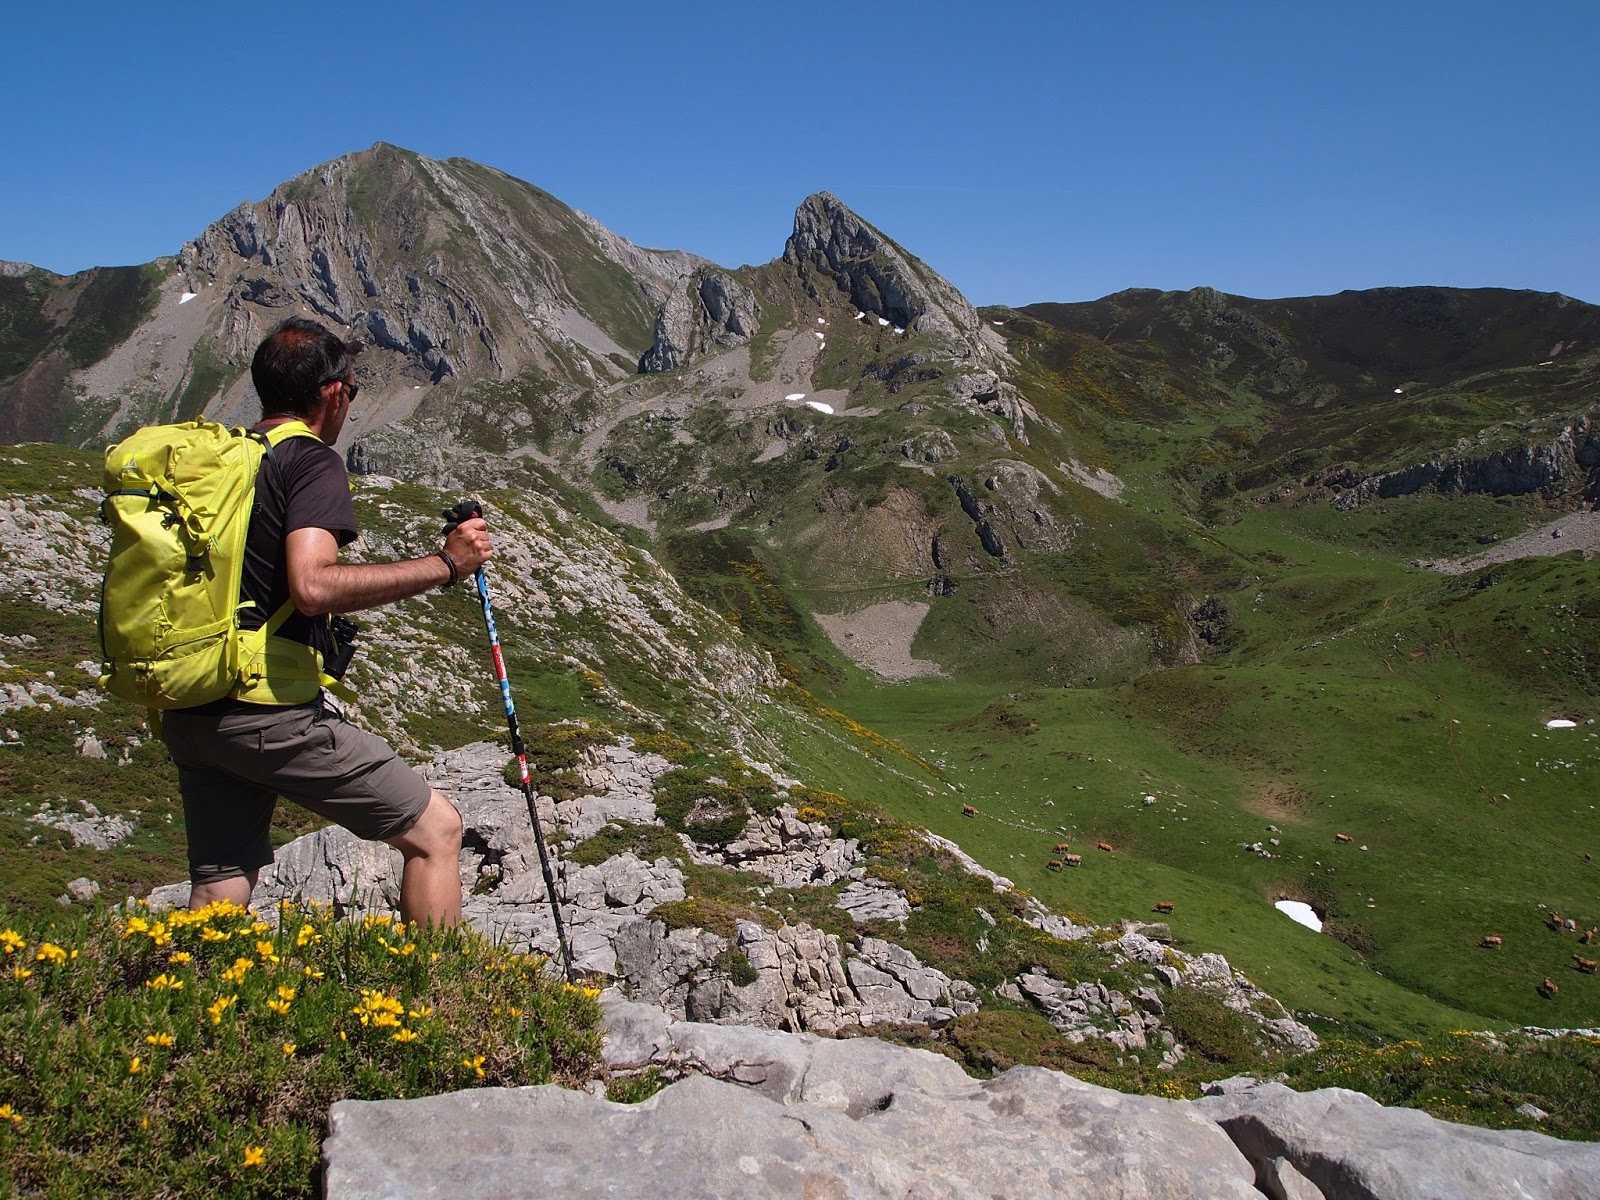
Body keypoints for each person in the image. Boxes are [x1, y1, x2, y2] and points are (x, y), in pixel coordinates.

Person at [160, 317, 491, 927]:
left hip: (192, 705)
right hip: (266, 712)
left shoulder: (229, 463)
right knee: (437, 832)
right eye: (355, 391)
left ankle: (181, 1009)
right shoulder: (310, 463)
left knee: (220, 882)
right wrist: (447, 564)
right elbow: (312, 586)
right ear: (334, 393)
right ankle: (440, 1002)